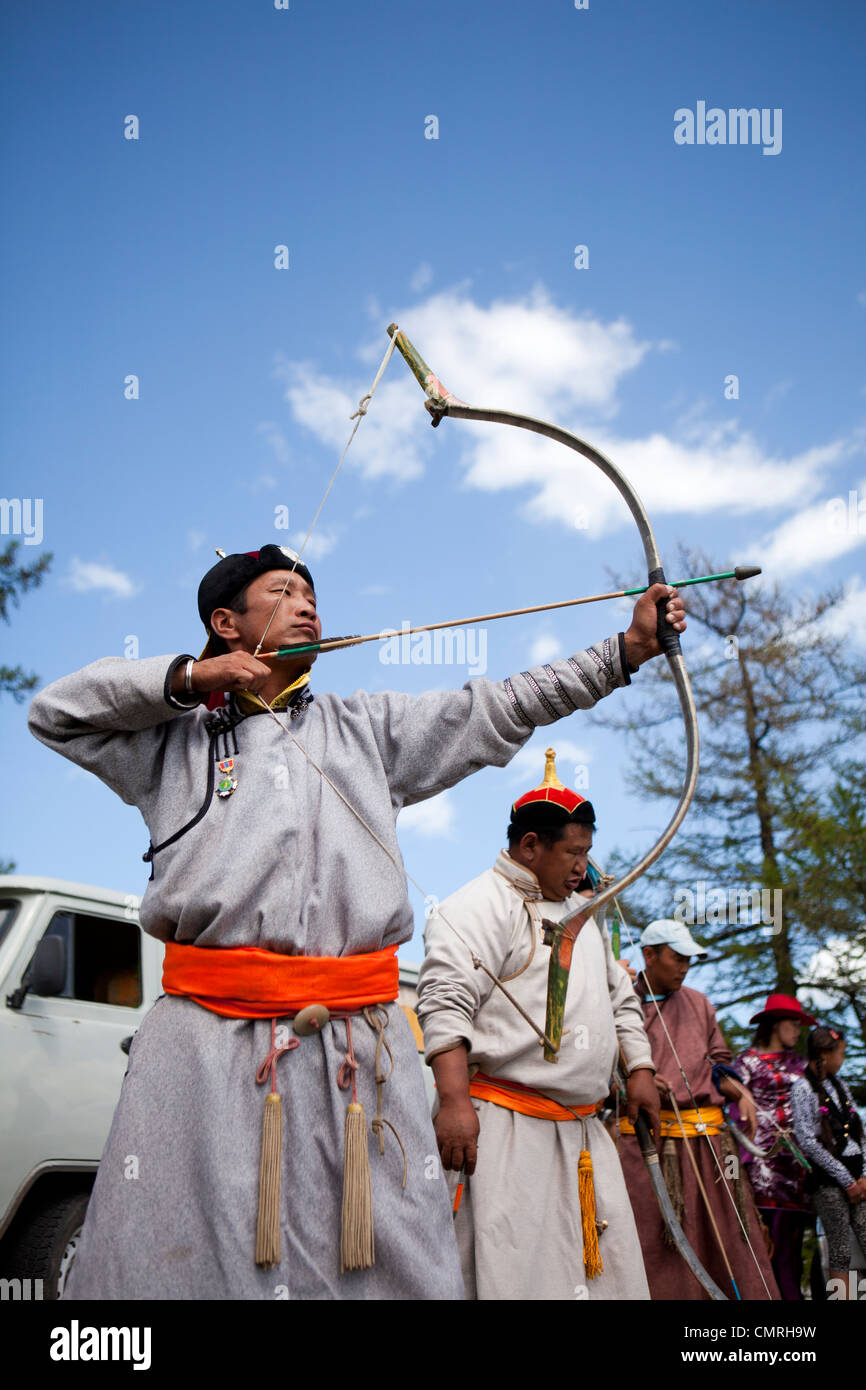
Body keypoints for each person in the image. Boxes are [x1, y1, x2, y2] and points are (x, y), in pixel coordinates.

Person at [28, 543, 685, 1300]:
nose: (308, 603)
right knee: (185, 1249)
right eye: (283, 592)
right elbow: (56, 713)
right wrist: (187, 677)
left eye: (313, 593)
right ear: (226, 624)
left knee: (385, 1253)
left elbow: (500, 705)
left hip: (357, 1041)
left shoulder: (369, 730)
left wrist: (624, 652)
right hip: (205, 1041)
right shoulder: (166, 744)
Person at [416, 749, 660, 1300]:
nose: (583, 867)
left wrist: (640, 1068)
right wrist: (454, 1101)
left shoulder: (580, 917)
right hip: (503, 1129)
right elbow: (442, 1003)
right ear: (531, 846)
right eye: (573, 852)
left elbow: (622, 1001)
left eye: (587, 853)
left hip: (583, 1135)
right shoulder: (477, 905)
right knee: (513, 1276)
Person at [616, 921, 780, 1300]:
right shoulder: (620, 1002)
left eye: (689, 959)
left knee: (730, 1233)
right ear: (649, 955)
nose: (684, 966)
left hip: (710, 1144)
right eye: (677, 957)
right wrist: (636, 1078)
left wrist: (740, 1092)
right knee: (657, 1240)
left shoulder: (699, 1002)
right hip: (650, 1144)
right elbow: (605, 1069)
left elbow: (719, 1061)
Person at [733, 994, 815, 1299]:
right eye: (793, 1023)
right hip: (761, 1166)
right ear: (775, 1024)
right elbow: (734, 1112)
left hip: (799, 1170)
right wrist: (741, 1160)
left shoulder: (802, 1064)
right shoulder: (746, 1062)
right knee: (765, 1244)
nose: (797, 1030)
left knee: (792, 1250)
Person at [791, 1026, 866, 1300]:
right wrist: (845, 1181)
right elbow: (807, 1141)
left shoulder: (840, 1085)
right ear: (823, 1053)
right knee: (840, 1249)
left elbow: (859, 1132)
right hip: (828, 1182)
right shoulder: (802, 1089)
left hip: (858, 1178)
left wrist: (864, 1175)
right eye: (841, 1054)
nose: (843, 1059)